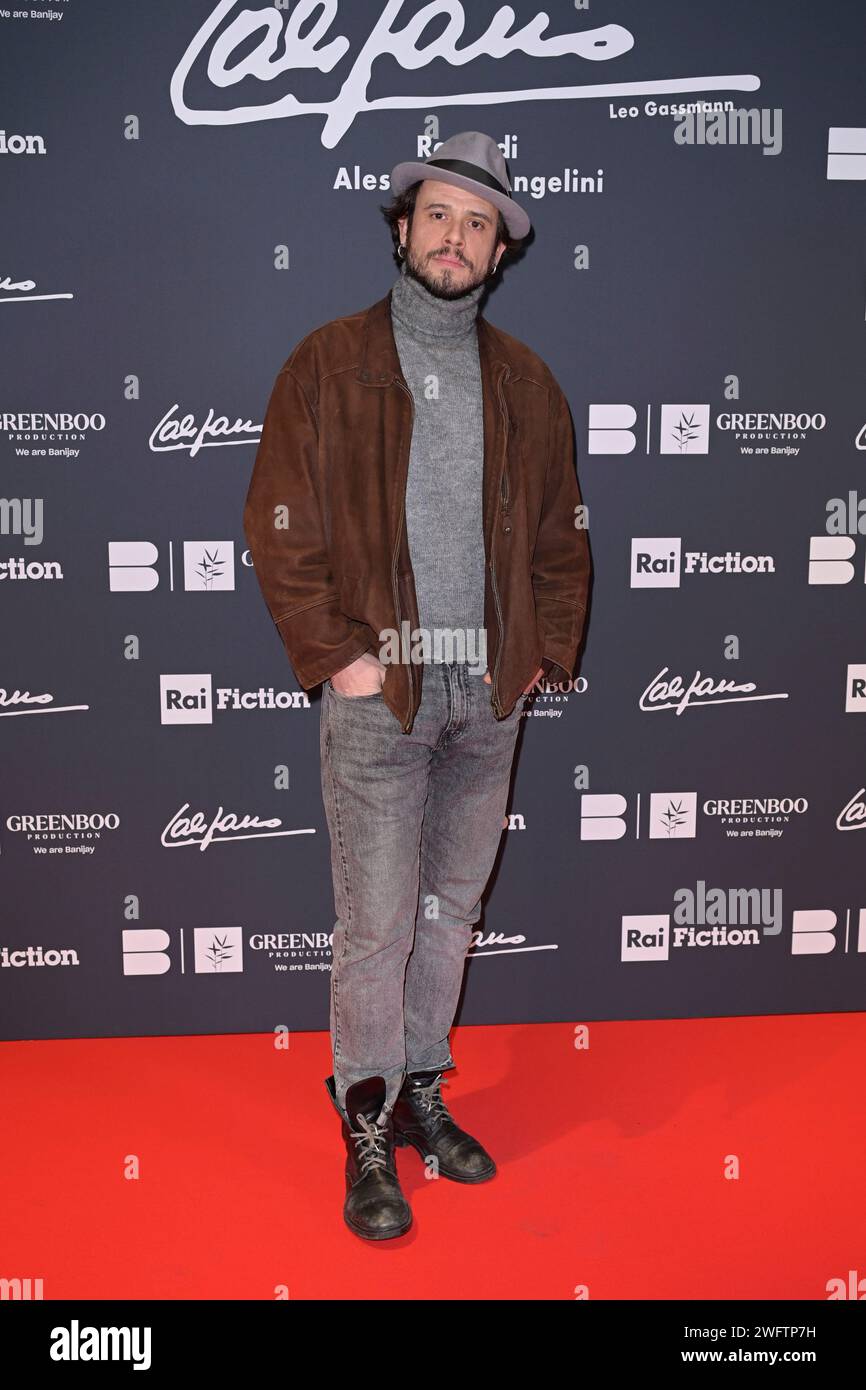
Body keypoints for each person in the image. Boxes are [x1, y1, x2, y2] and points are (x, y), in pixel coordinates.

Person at [243, 130, 591, 1241]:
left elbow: (558, 541)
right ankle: (364, 1114)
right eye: (437, 215)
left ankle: (424, 1088)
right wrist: (342, 658)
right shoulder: (325, 363)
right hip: (377, 693)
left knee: (450, 915)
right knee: (375, 925)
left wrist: (537, 654)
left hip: (486, 697)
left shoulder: (529, 384)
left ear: (498, 253)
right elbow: (277, 526)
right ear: (402, 229)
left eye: (477, 222)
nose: (454, 237)